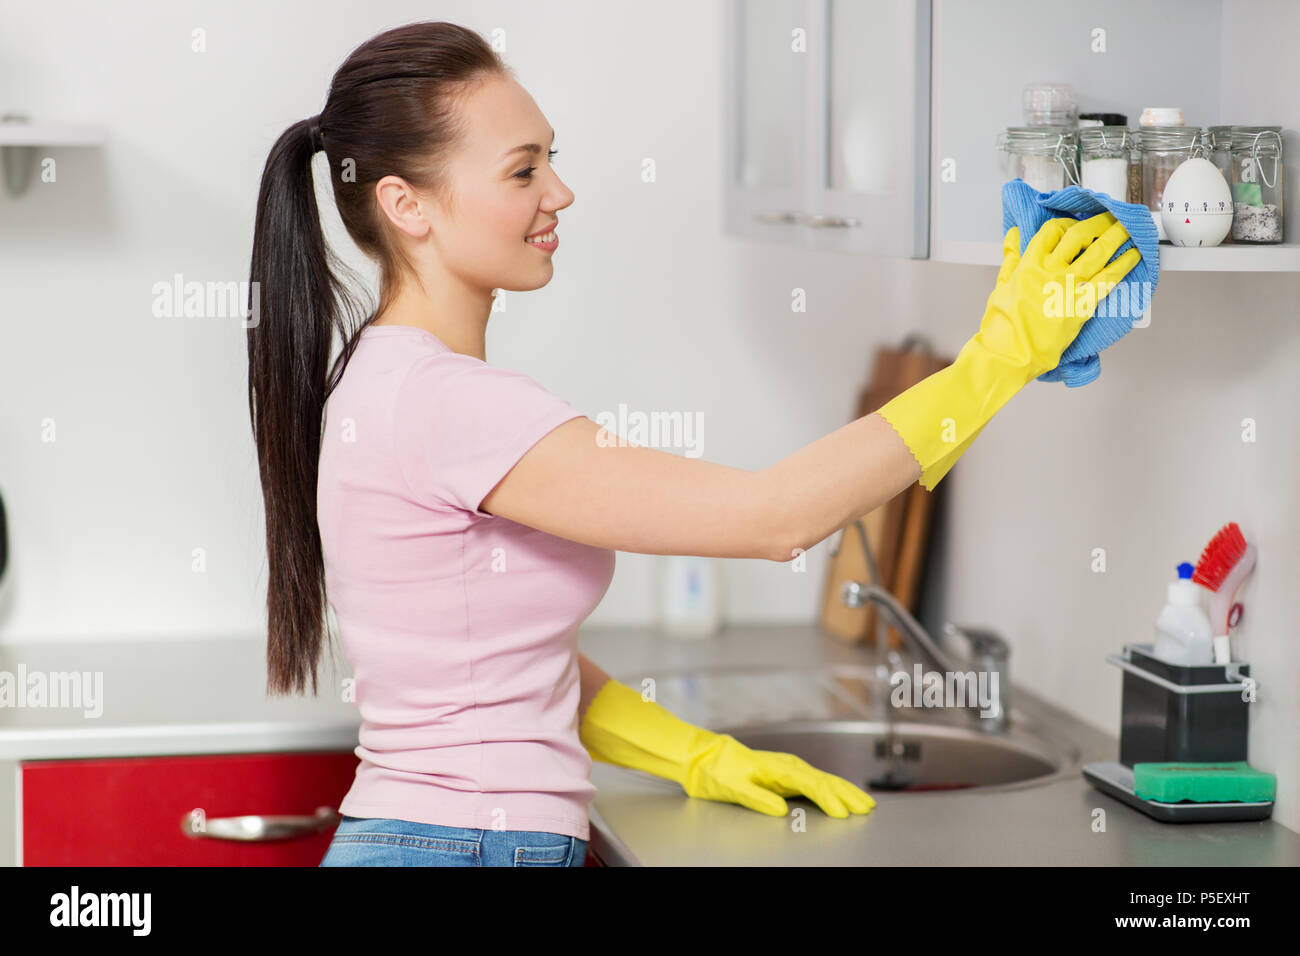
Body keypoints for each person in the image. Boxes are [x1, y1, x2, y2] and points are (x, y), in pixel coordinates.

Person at [244, 21, 1139, 867]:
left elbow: (508, 673)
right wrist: (1001, 357)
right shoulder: (449, 404)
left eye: (553, 159)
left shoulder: (387, 375)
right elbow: (776, 517)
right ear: (408, 206)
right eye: (523, 172)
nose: (560, 191)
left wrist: (695, 756)